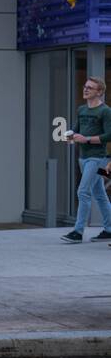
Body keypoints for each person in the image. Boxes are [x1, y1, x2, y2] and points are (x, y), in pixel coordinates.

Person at [62, 77, 111, 242]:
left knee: (83, 191)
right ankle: (110, 230)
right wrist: (70, 135)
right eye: (85, 86)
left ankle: (77, 232)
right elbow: (76, 130)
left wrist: (87, 139)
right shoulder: (81, 109)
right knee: (99, 193)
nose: (86, 89)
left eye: (90, 88)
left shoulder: (105, 111)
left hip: (97, 159)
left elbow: (109, 135)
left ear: (99, 92)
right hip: (83, 158)